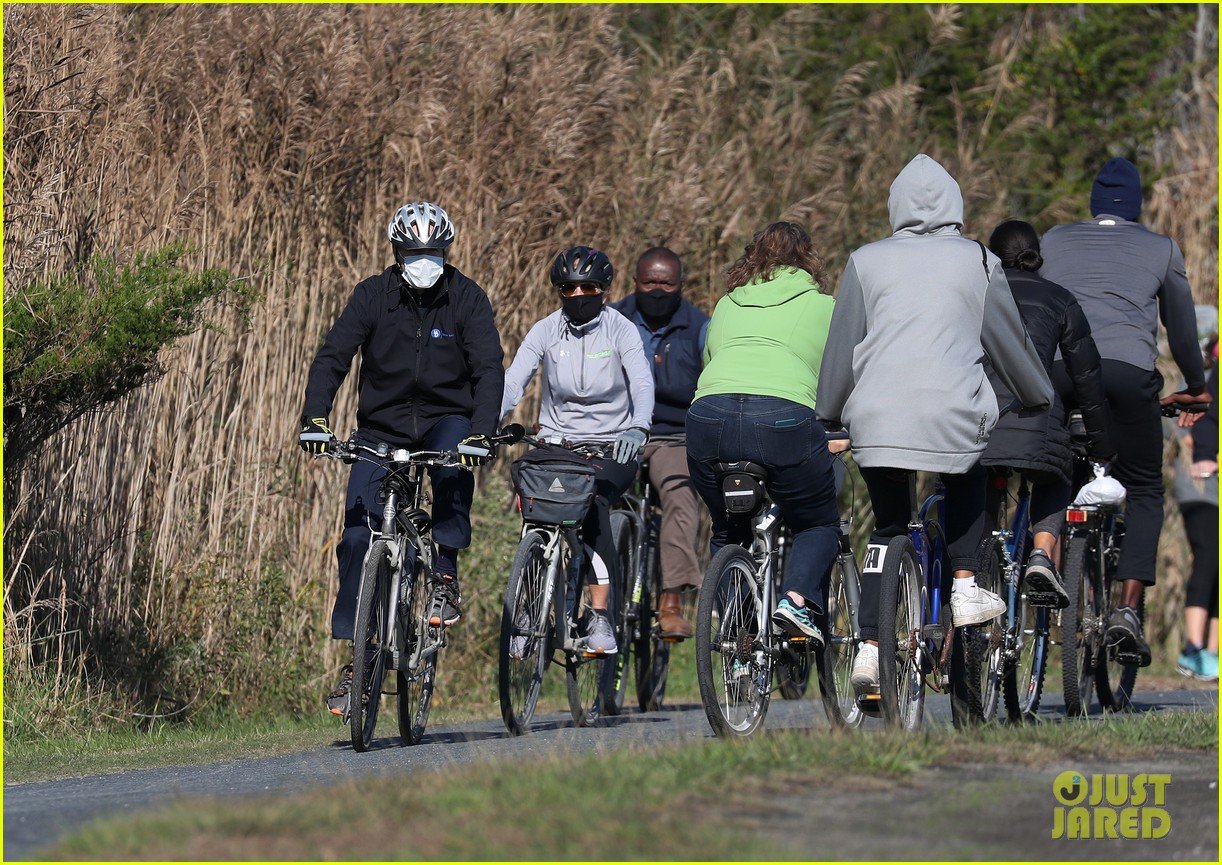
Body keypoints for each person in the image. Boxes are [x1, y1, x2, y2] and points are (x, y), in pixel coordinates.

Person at [816, 154, 1053, 695]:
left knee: (889, 528)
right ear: (955, 206)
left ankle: (872, 650)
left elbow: (842, 345)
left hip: (877, 420)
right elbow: (1007, 342)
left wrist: (829, 409)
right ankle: (966, 583)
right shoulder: (977, 259)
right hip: (952, 412)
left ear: (895, 206)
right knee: (967, 471)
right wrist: (1036, 396)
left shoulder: (865, 260)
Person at [299, 201, 505, 714]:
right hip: (380, 426)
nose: (423, 260)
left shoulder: (467, 299)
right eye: (414, 252)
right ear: (396, 252)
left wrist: (481, 432)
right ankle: (360, 657)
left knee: (455, 461)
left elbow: (489, 370)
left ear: (446, 250)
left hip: (446, 420)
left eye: (433, 251)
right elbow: (332, 358)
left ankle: (446, 575)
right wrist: (316, 420)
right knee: (355, 536)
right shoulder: (372, 296)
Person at [1040, 157, 1210, 667]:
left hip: (1062, 371)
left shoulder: (1054, 240)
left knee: (1057, 473)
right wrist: (1196, 387)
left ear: (1093, 205)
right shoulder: (1160, 248)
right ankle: (1128, 609)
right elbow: (1181, 330)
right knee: (1142, 489)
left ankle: (1047, 561)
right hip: (1128, 374)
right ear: (1136, 206)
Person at [686, 221, 840, 645]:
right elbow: (842, 374)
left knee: (727, 527)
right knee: (816, 523)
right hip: (784, 419)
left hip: (708, 417)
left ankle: (736, 633)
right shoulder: (824, 306)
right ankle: (793, 600)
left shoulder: (726, 303)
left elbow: (710, 357)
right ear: (808, 259)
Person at [500, 246, 655, 654]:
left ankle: (600, 618)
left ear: (604, 290)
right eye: (568, 288)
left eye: (588, 287)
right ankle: (532, 608)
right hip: (558, 444)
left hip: (614, 446)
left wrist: (639, 426)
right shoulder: (546, 330)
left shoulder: (621, 330)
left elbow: (641, 382)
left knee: (594, 505)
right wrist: (483, 422)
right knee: (535, 502)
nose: (578, 295)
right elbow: (513, 381)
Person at [979, 220, 1116, 608]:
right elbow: (1086, 376)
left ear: (993, 256)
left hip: (982, 420)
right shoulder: (1060, 299)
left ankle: (976, 565)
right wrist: (1102, 444)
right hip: (1039, 422)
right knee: (1057, 471)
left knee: (976, 483)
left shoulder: (979, 294)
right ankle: (1041, 552)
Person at [611, 247, 710, 639]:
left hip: (672, 434)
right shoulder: (611, 320)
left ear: (680, 286)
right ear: (634, 282)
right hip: (616, 432)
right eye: (648, 282)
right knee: (595, 494)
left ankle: (671, 599)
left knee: (679, 494)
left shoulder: (700, 328)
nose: (656, 290)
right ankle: (589, 595)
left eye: (666, 283)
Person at [1170, 309, 1218, 680]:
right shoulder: (1196, 382)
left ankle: (1211, 653)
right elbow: (1180, 433)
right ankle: (1193, 647)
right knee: (1207, 557)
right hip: (1201, 486)